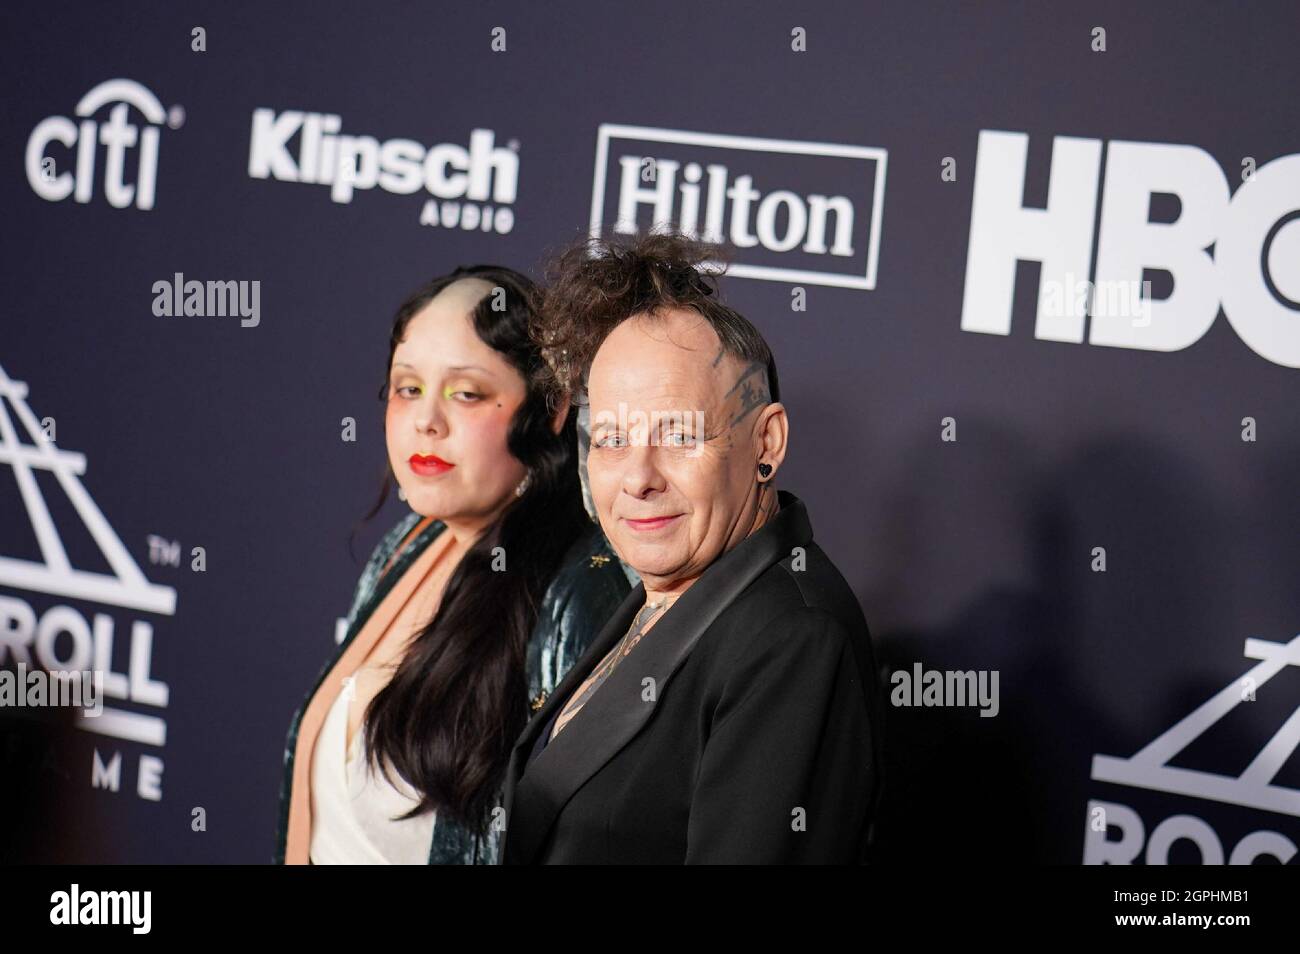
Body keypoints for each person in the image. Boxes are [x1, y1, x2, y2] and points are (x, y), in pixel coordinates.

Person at [501, 230, 884, 864]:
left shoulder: (794, 640)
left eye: (679, 435)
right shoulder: (666, 592)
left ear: (766, 443)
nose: (639, 478)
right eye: (612, 439)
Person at [274, 265, 631, 864]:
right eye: (408, 388)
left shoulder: (579, 597)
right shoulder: (407, 544)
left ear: (550, 410)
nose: (427, 421)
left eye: (466, 393)